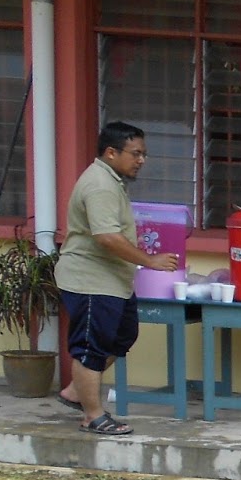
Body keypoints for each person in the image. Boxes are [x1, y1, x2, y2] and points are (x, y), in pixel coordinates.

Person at [54, 122, 180, 436]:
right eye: (135, 154)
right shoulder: (99, 184)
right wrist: (150, 261)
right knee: (90, 347)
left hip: (113, 281)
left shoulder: (112, 181)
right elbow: (107, 237)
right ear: (111, 152)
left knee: (123, 336)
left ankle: (76, 392)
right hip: (91, 280)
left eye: (143, 154)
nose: (141, 160)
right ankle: (93, 416)